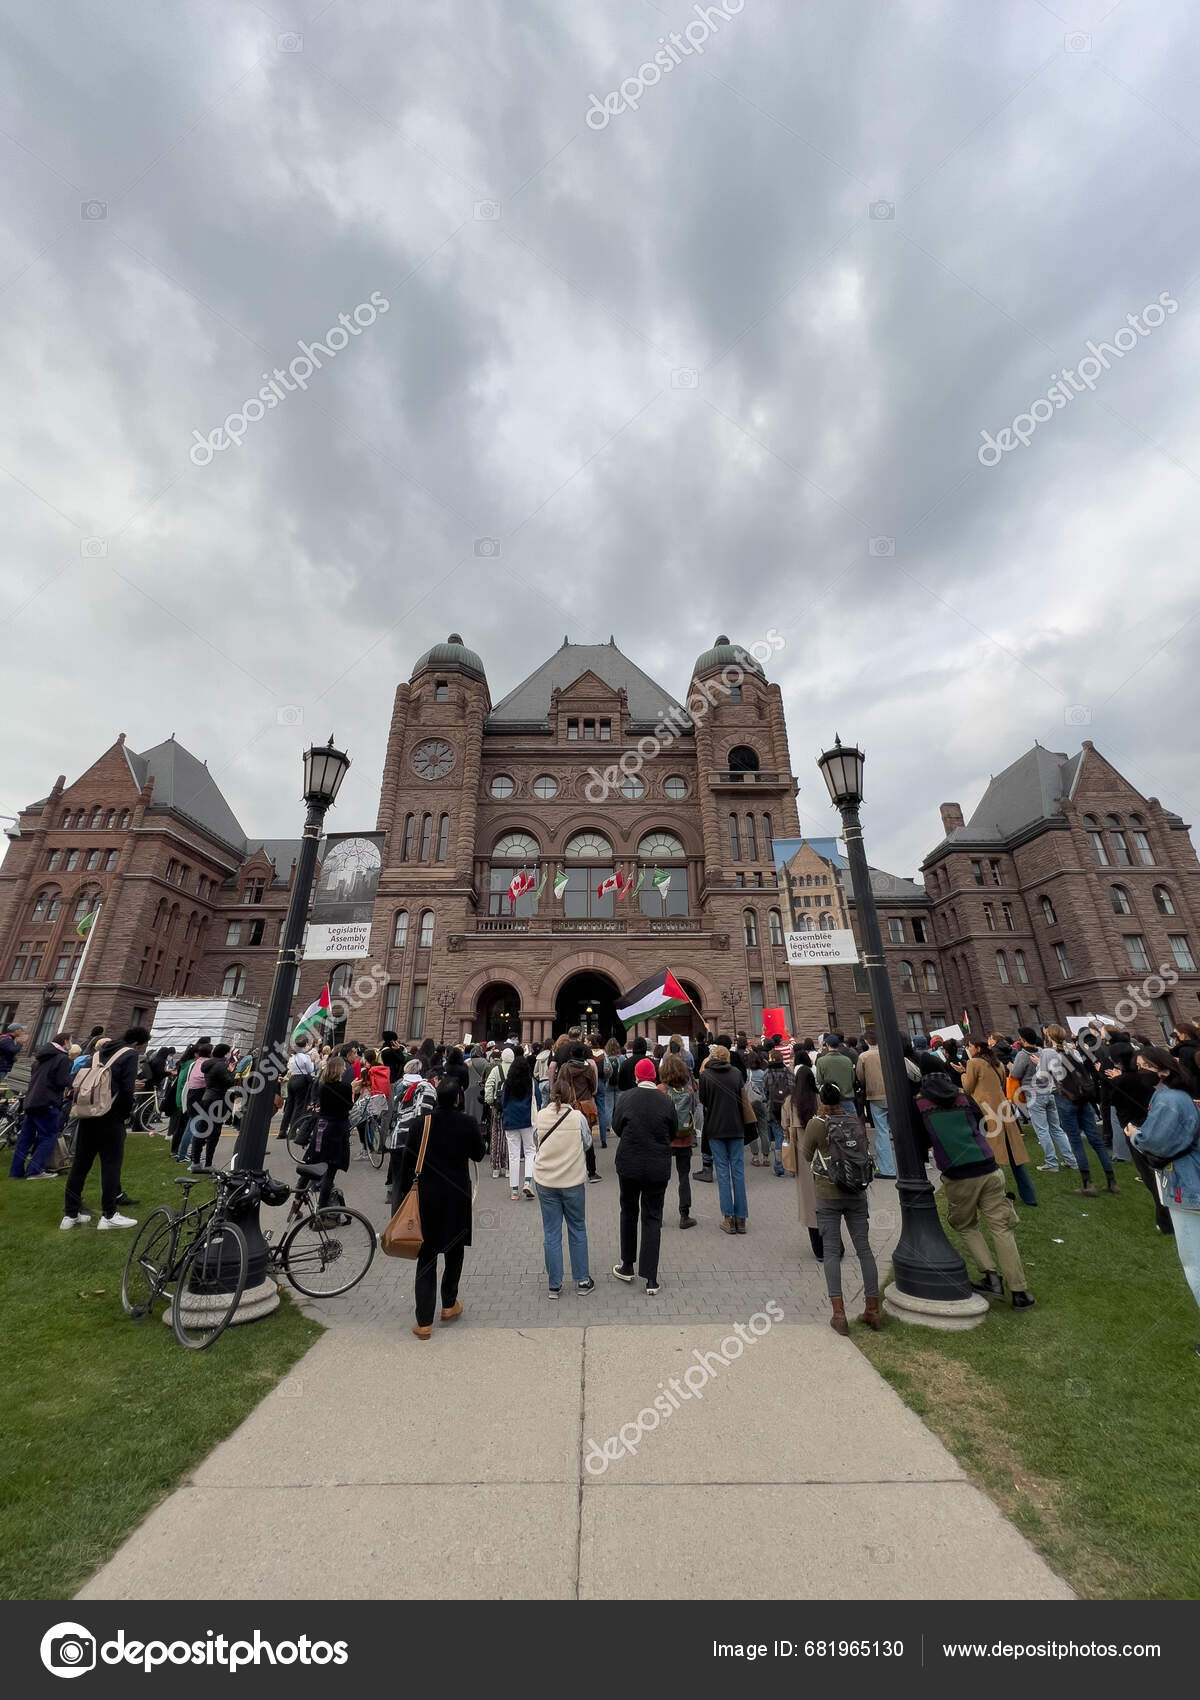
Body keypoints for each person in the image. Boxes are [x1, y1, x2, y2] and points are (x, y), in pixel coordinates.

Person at [913, 1054, 1034, 1310]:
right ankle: (1020, 1290)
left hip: (958, 1174)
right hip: (988, 1167)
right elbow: (983, 1124)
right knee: (1001, 1228)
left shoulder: (920, 1104)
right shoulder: (964, 1097)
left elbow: (919, 1140)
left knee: (965, 1224)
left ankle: (990, 1275)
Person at [398, 1076, 486, 1339]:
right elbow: (479, 1154)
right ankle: (449, 1304)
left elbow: (406, 1164)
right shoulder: (468, 1123)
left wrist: (402, 1199)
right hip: (457, 1196)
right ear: (459, 1098)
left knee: (426, 1258)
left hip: (427, 1196)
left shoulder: (420, 1125)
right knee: (454, 1252)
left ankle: (424, 1321)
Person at [1128, 1048, 1200, 1351]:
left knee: (1194, 1262)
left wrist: (1134, 1134)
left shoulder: (1171, 1099)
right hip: (1188, 1180)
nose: (1140, 1072)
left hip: (1187, 1185)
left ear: (1165, 1070)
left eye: (1146, 1067)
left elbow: (1155, 1141)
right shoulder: (1174, 1096)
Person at [800, 1081, 881, 1333]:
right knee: (864, 1250)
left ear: (821, 1099)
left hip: (828, 1192)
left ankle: (839, 1314)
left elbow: (806, 1155)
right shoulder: (854, 1122)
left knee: (832, 1252)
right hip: (856, 1192)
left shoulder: (817, 1124)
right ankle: (873, 1309)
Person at [60, 1026, 150, 1231]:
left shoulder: (98, 1052)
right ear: (137, 1043)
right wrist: (126, 1113)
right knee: (111, 1165)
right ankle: (109, 1214)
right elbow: (127, 1090)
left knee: (80, 1165)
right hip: (111, 1115)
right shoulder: (129, 1054)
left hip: (88, 1113)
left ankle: (70, 1214)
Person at [611, 1057, 675, 1294]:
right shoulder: (665, 1100)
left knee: (628, 1212)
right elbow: (674, 1129)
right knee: (652, 1218)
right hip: (658, 1166)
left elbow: (616, 1126)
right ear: (654, 1076)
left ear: (637, 1077)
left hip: (629, 1164)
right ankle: (651, 1279)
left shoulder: (626, 1097)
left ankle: (627, 1265)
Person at [532, 1073, 595, 1297]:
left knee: (551, 1233)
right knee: (577, 1228)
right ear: (571, 1094)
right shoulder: (577, 1117)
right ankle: (582, 1281)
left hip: (546, 1180)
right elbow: (587, 1143)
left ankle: (554, 1285)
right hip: (572, 1180)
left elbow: (535, 1141)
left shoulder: (540, 1116)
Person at [1044, 1024, 1119, 1197]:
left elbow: (1044, 1079)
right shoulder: (1074, 1050)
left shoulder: (1048, 1054)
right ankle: (1112, 1181)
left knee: (1076, 1141)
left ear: (1049, 1036)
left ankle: (1088, 1184)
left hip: (1064, 1098)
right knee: (1095, 1139)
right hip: (1083, 1097)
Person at [962, 1038, 1037, 1207]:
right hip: (1004, 1109)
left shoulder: (973, 1063)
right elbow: (1000, 1083)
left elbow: (968, 1087)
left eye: (970, 1046)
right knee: (1013, 1155)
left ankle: (993, 1196)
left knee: (989, 1154)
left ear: (978, 1048)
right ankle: (1029, 1196)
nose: (969, 1048)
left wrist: (963, 1074)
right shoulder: (998, 1064)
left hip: (986, 1111)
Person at [697, 1042, 750, 1234]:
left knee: (722, 1172)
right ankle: (741, 1219)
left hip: (715, 1128)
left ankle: (728, 1218)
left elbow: (702, 1100)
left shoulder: (706, 1076)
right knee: (738, 1172)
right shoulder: (736, 1073)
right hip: (736, 1127)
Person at [1009, 1027, 1076, 1172]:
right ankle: (1071, 1160)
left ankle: (1051, 1163)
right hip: (1050, 1092)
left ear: (1023, 1040)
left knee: (1043, 1130)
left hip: (1034, 1095)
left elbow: (1015, 1073)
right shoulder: (1042, 1051)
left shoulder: (1022, 1055)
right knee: (1056, 1128)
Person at [8, 1030, 72, 1179]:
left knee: (25, 1139)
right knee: (48, 1137)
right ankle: (35, 1171)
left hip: (31, 1101)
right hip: (48, 1102)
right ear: (64, 1042)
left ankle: (15, 1172)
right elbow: (61, 1080)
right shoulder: (62, 1059)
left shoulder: (40, 1059)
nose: (71, 1043)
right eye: (70, 1040)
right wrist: (74, 1080)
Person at [854, 1038, 918, 1180]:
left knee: (882, 1132)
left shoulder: (864, 1056)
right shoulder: (890, 1053)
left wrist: (867, 1084)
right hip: (895, 1095)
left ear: (866, 1041)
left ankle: (888, 1169)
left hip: (875, 1096)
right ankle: (911, 1165)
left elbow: (860, 1076)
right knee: (901, 1130)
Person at [782, 1063, 828, 1259]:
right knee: (827, 1200)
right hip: (824, 1156)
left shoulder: (791, 1101)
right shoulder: (820, 1099)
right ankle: (834, 1243)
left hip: (803, 1157)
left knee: (809, 1202)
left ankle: (818, 1247)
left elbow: (785, 1126)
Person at [307, 1052, 353, 1208]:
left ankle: (303, 1197)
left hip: (322, 1128)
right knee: (331, 1172)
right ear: (339, 1070)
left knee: (317, 1164)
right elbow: (348, 1107)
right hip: (337, 1130)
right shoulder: (345, 1087)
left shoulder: (322, 1086)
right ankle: (322, 1207)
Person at [658, 1051, 698, 1228]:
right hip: (684, 1138)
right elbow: (694, 1111)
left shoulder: (661, 1090)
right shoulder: (688, 1090)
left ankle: (657, 1215)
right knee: (684, 1177)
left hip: (664, 1140)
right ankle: (684, 1215)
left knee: (660, 1179)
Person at [191, 1042, 235, 1170]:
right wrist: (232, 1072)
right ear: (225, 1053)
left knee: (202, 1130)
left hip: (207, 1097)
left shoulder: (207, 1064)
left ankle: (195, 1161)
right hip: (218, 1100)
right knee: (214, 1133)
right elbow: (229, 1082)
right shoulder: (221, 1065)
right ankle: (208, 1163)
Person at [499, 1049, 537, 1199]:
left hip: (510, 1120)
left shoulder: (506, 1084)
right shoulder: (531, 1082)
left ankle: (514, 1190)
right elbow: (537, 1100)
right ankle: (528, 1182)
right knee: (530, 1151)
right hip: (526, 1119)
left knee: (513, 1155)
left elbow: (503, 1102)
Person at [762, 1048, 792, 1177]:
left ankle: (779, 1166)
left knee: (779, 1137)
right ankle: (792, 1165)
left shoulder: (767, 1072)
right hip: (787, 1107)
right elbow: (793, 1088)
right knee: (789, 1136)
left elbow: (764, 1091)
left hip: (772, 1108)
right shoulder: (788, 1072)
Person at [814, 1034, 856, 1103]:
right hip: (847, 1097)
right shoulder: (847, 1060)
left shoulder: (821, 1061)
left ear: (827, 1045)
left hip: (830, 1100)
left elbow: (820, 1080)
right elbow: (852, 1079)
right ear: (838, 1044)